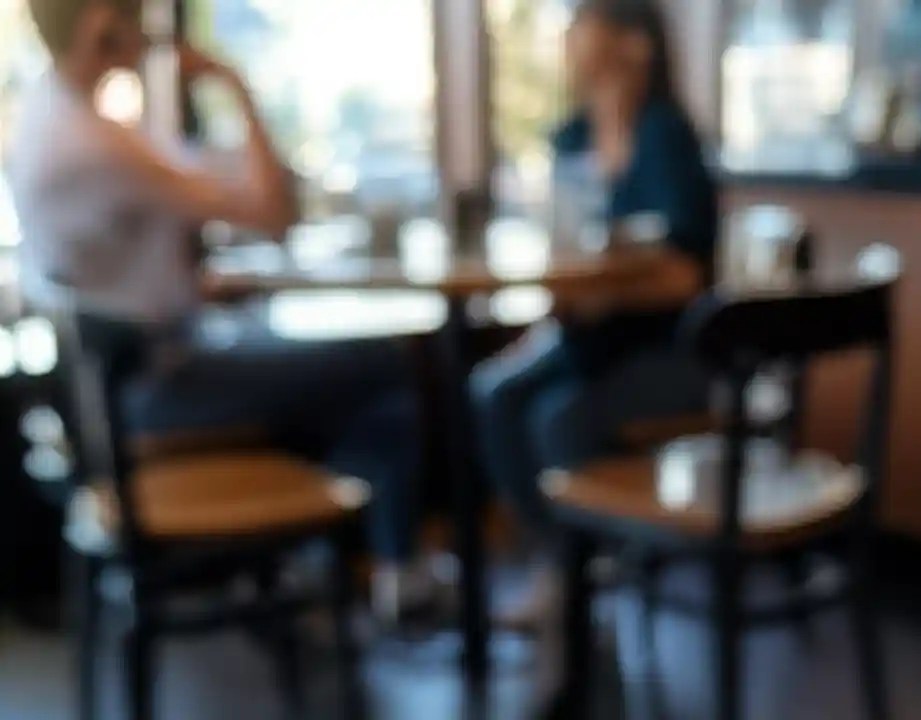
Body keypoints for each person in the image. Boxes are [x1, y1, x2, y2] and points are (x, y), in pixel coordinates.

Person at [5, 0, 436, 624]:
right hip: (154, 388)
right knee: (383, 363)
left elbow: (115, 262)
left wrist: (188, 282)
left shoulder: (57, 119)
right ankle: (387, 570)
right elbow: (272, 213)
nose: (148, 27)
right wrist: (232, 82)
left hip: (123, 386)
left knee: (339, 370)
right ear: (101, 23)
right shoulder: (92, 142)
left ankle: (361, 567)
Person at [470, 0, 717, 620]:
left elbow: (686, 277)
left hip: (668, 348)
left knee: (559, 416)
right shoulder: (573, 137)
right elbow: (560, 248)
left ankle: (589, 572)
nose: (569, 38)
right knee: (493, 391)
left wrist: (606, 294)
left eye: (584, 23)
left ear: (634, 44)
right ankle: (558, 555)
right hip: (587, 339)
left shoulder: (663, 135)